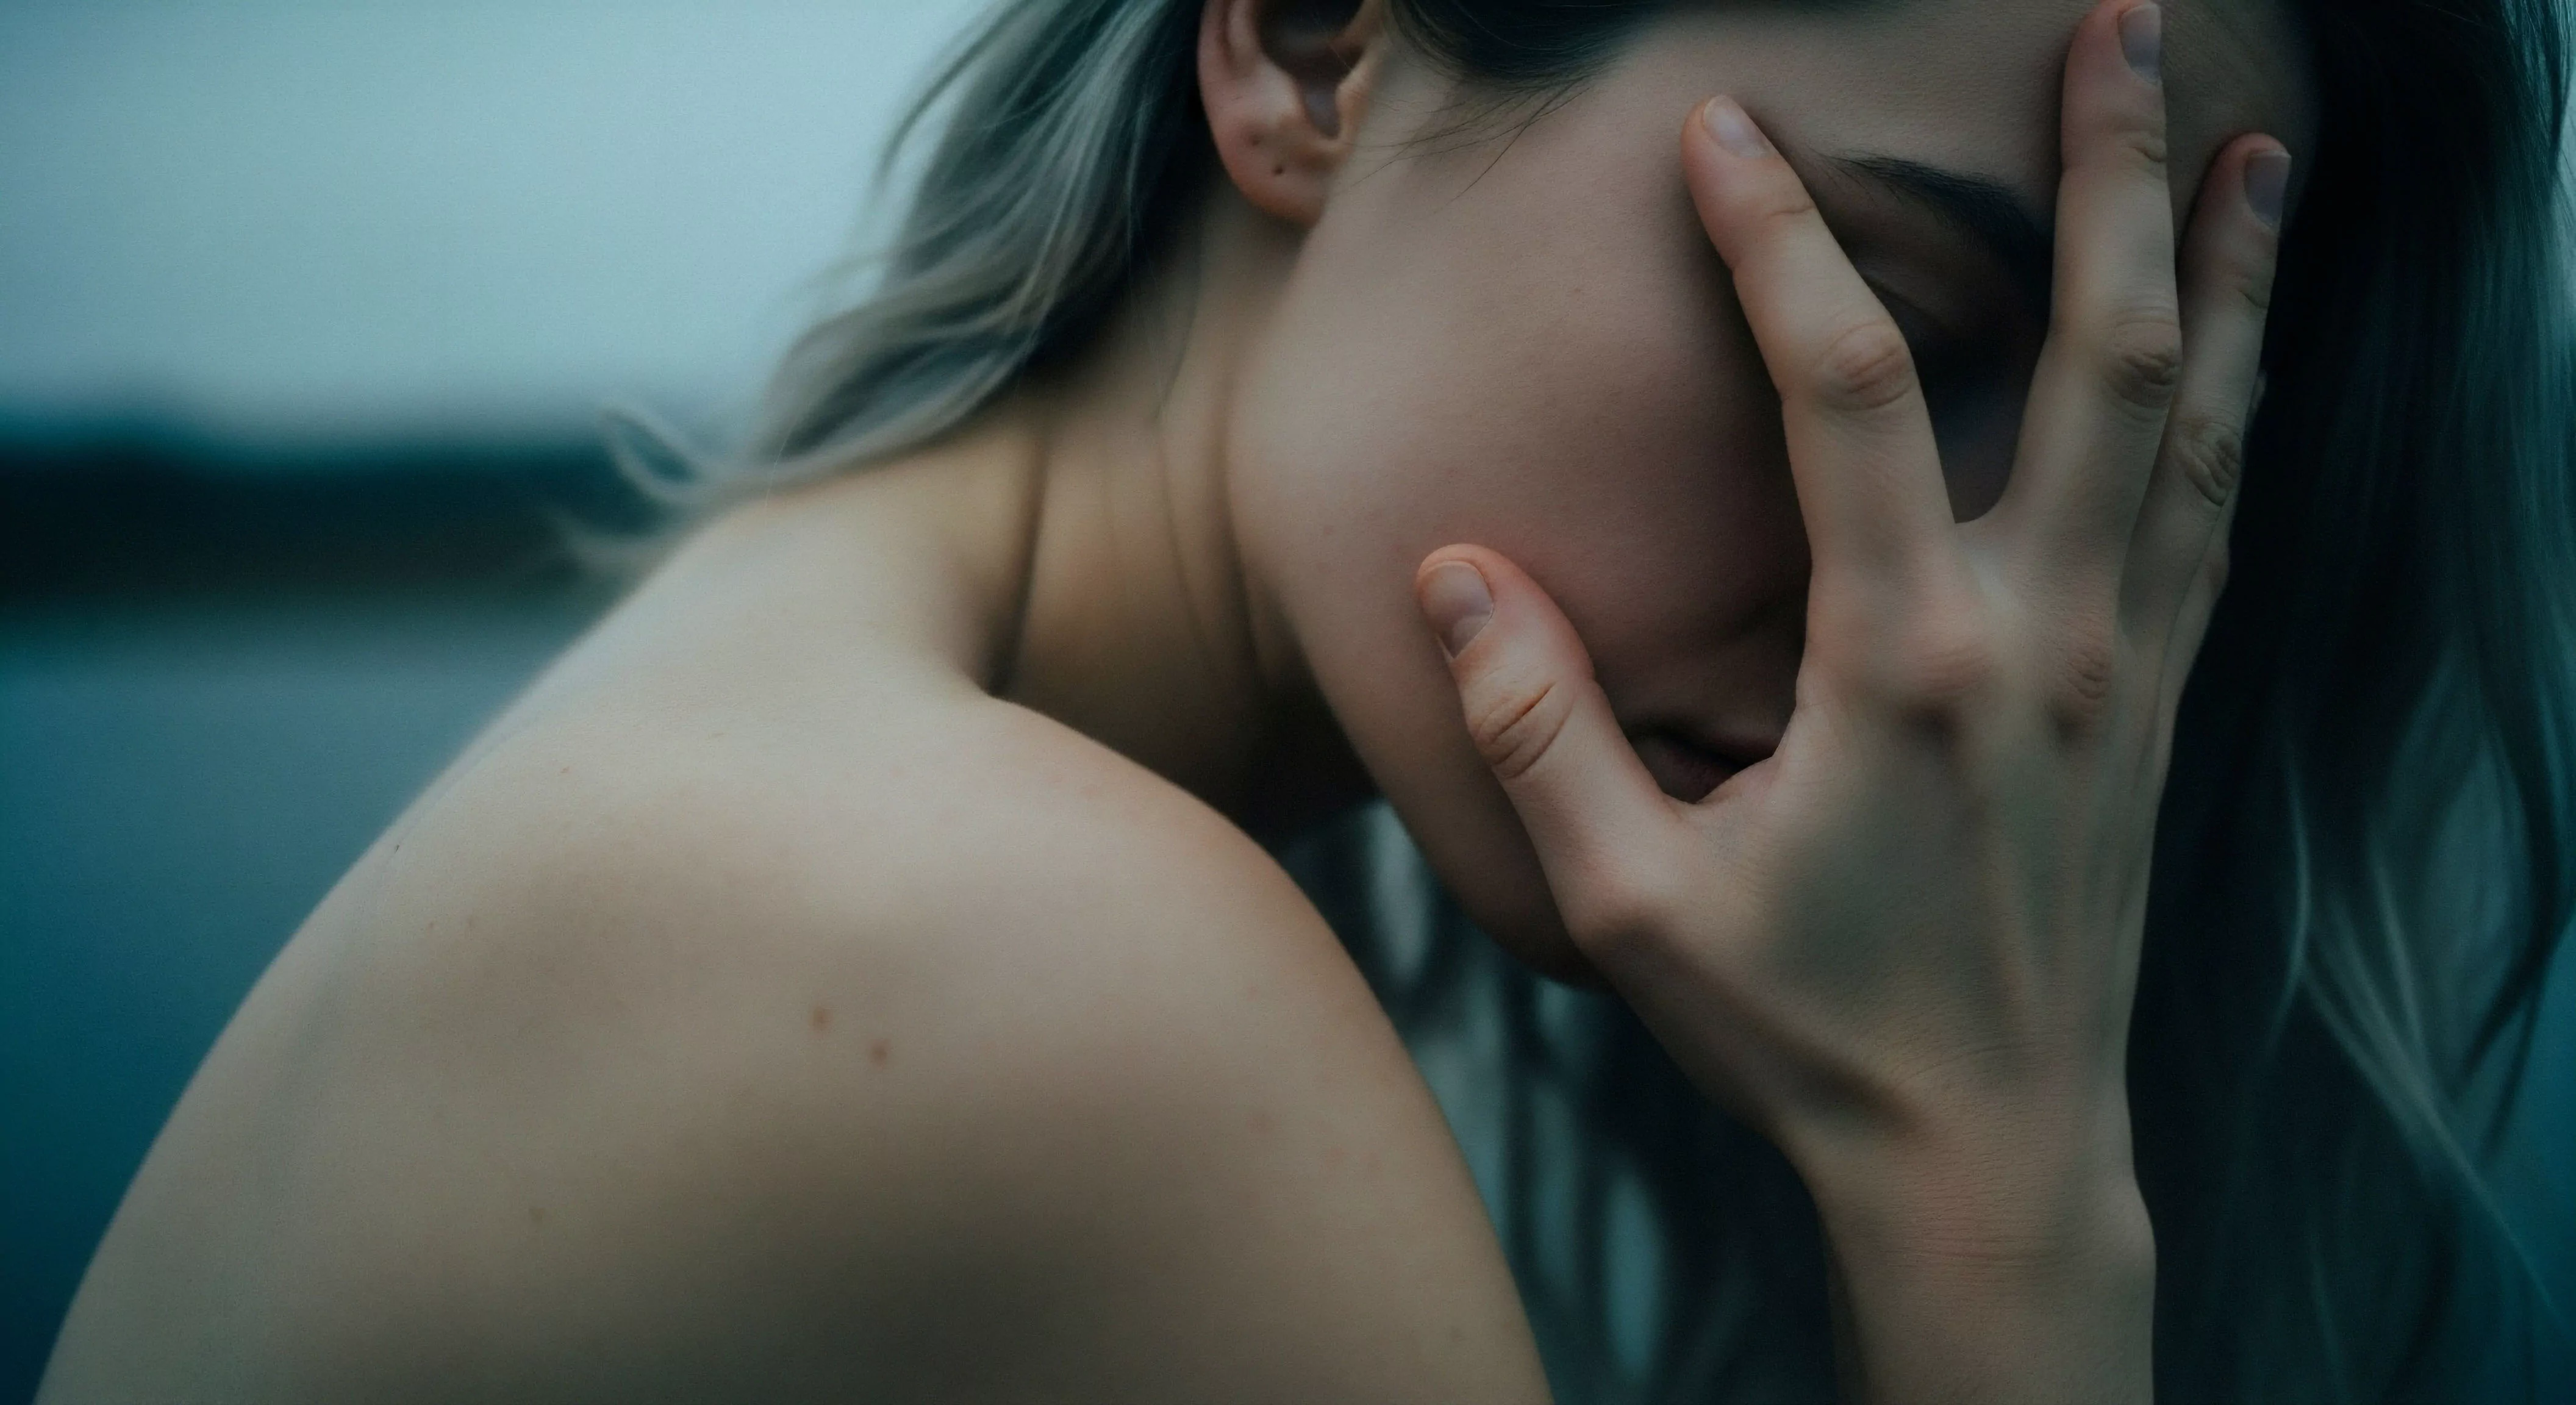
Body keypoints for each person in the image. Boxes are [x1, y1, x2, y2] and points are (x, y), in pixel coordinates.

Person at [39, 0, 2572, 1398]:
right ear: (1312, 48)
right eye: (1880, 333)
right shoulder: (1032, 971)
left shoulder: (768, 731)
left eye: (2110, 498)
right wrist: (1990, 1199)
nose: (1949, 633)